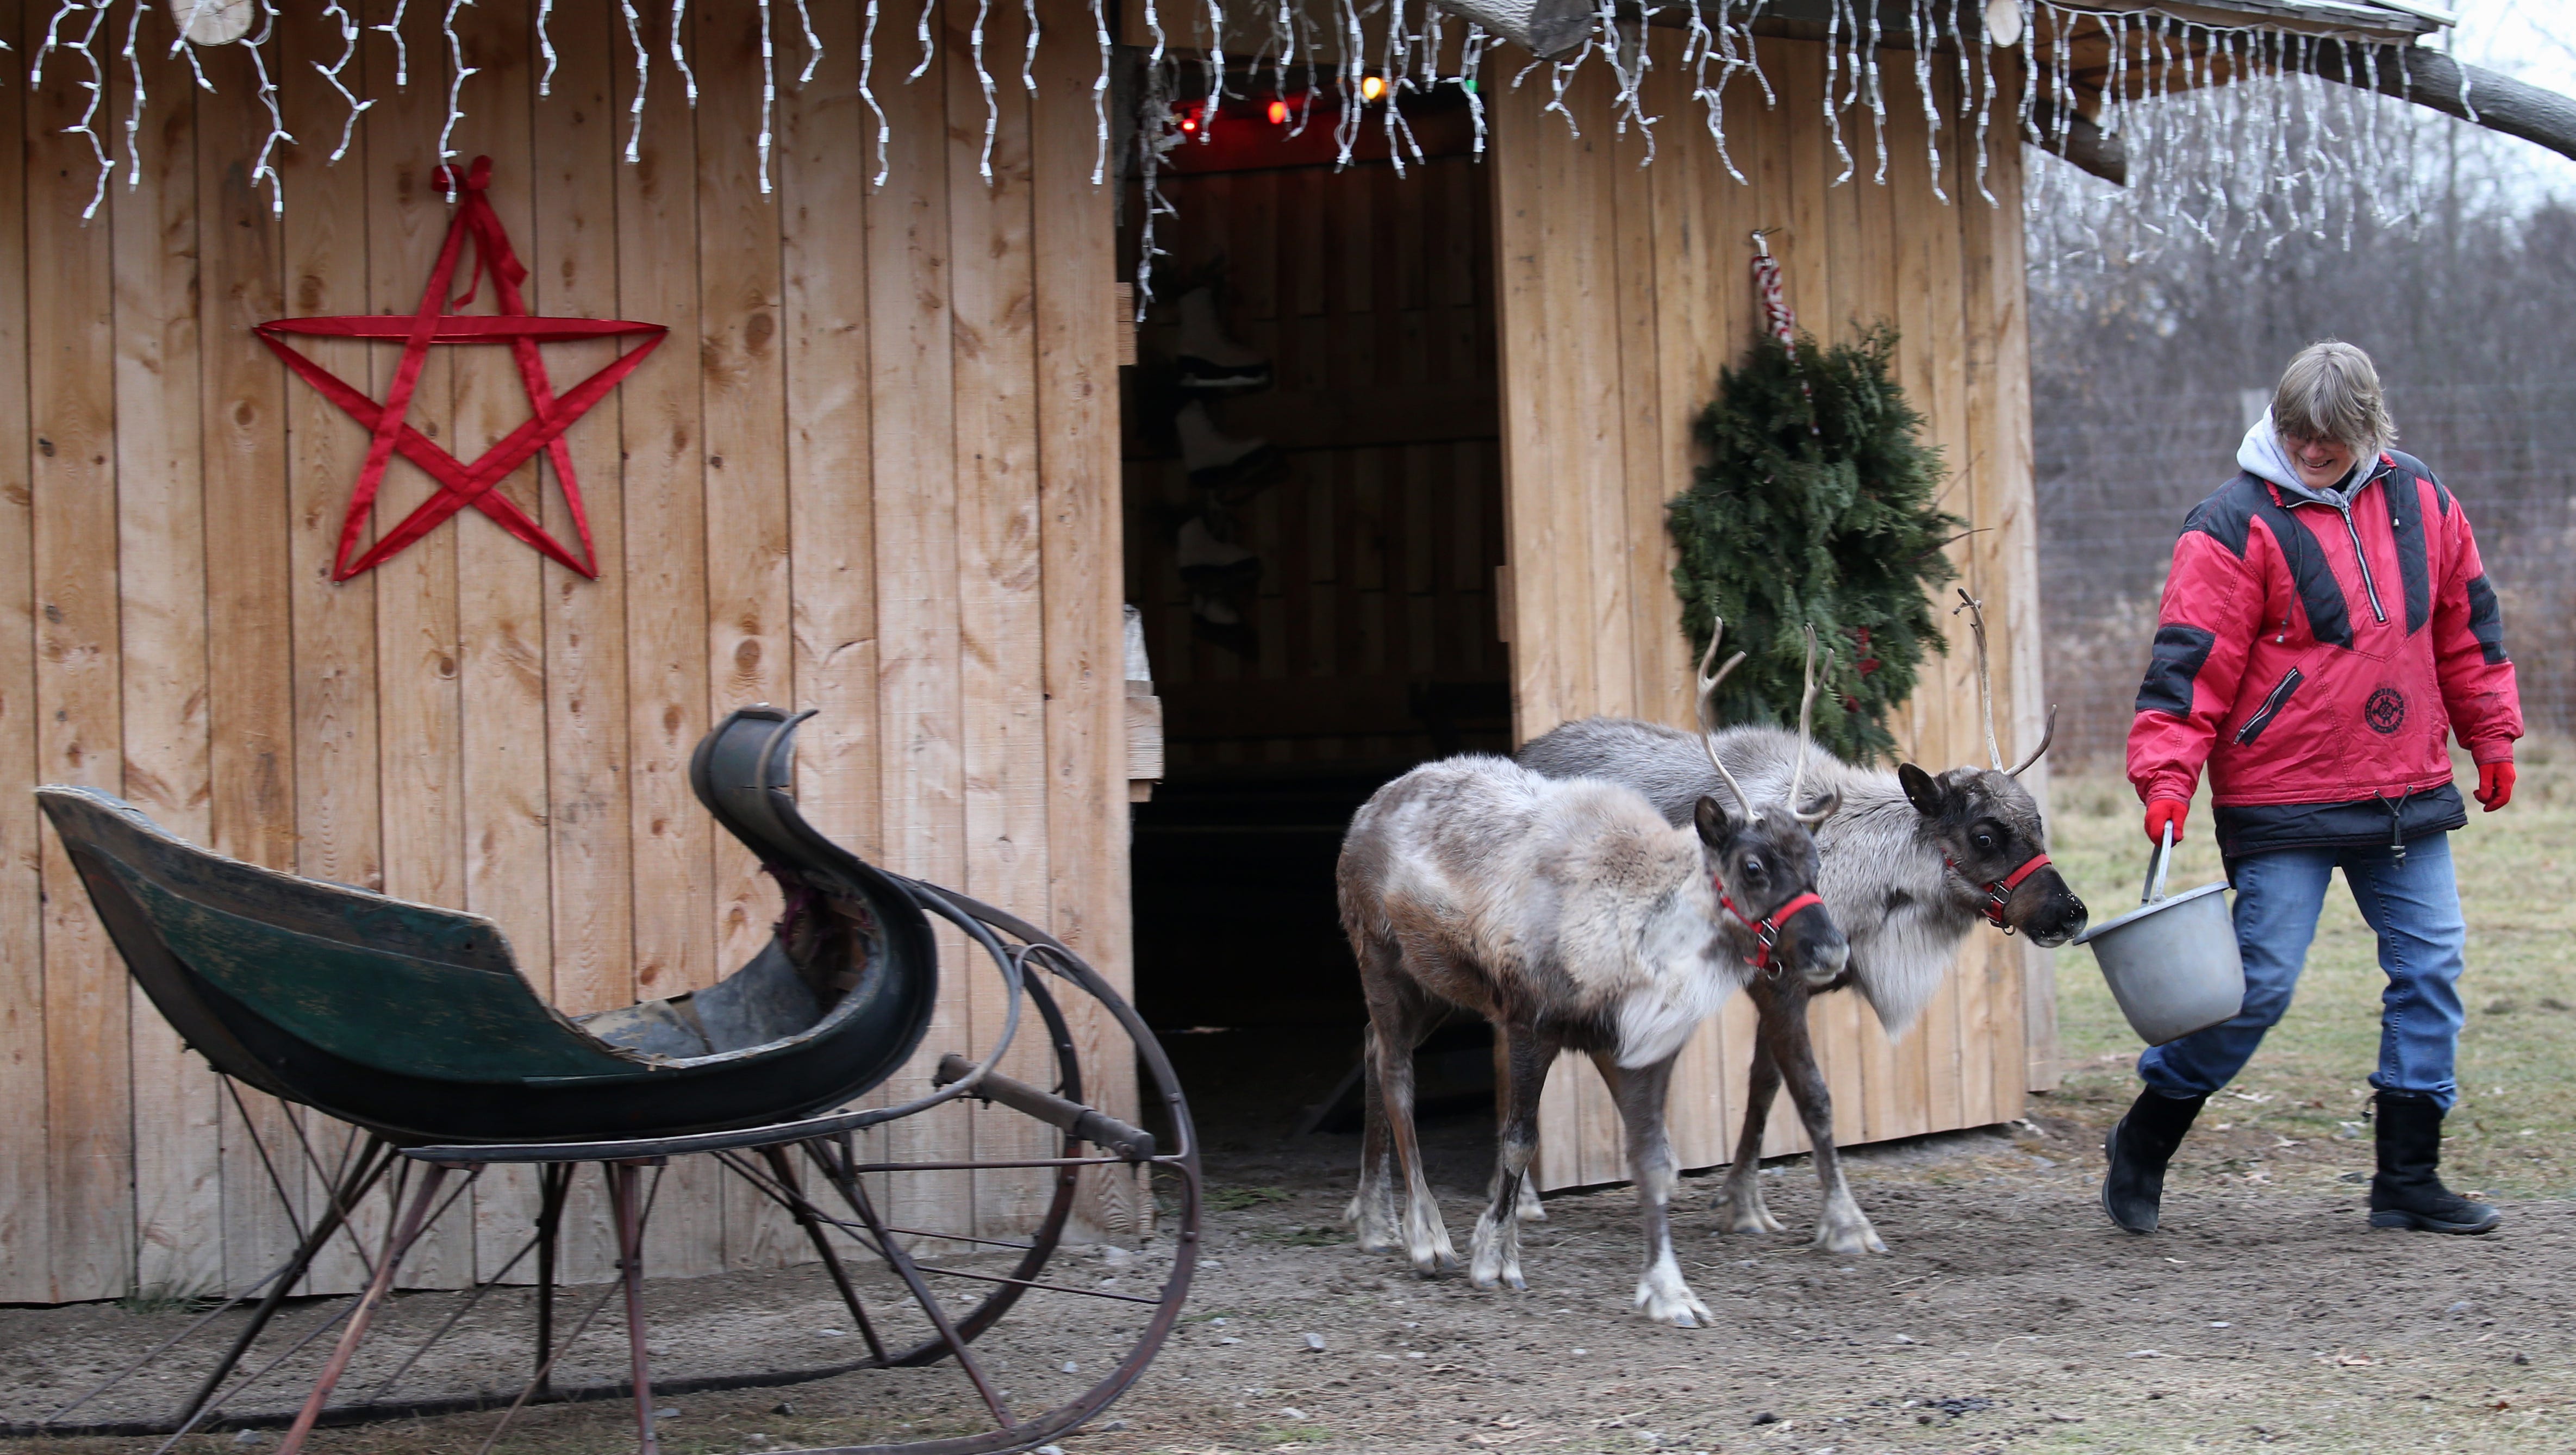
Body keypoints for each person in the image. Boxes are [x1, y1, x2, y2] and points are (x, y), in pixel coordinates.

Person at [2105, 340, 2521, 1237]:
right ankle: (2146, 1133)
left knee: (2433, 967)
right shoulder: (2231, 523)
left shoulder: (2425, 501)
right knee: (2257, 987)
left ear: (2368, 429)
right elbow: (2189, 666)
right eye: (2297, 433)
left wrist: (2491, 734)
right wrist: (2166, 777)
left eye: (2330, 436)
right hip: (2281, 798)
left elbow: (2466, 627)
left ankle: (2407, 1178)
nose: (2311, 450)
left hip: (2405, 787)